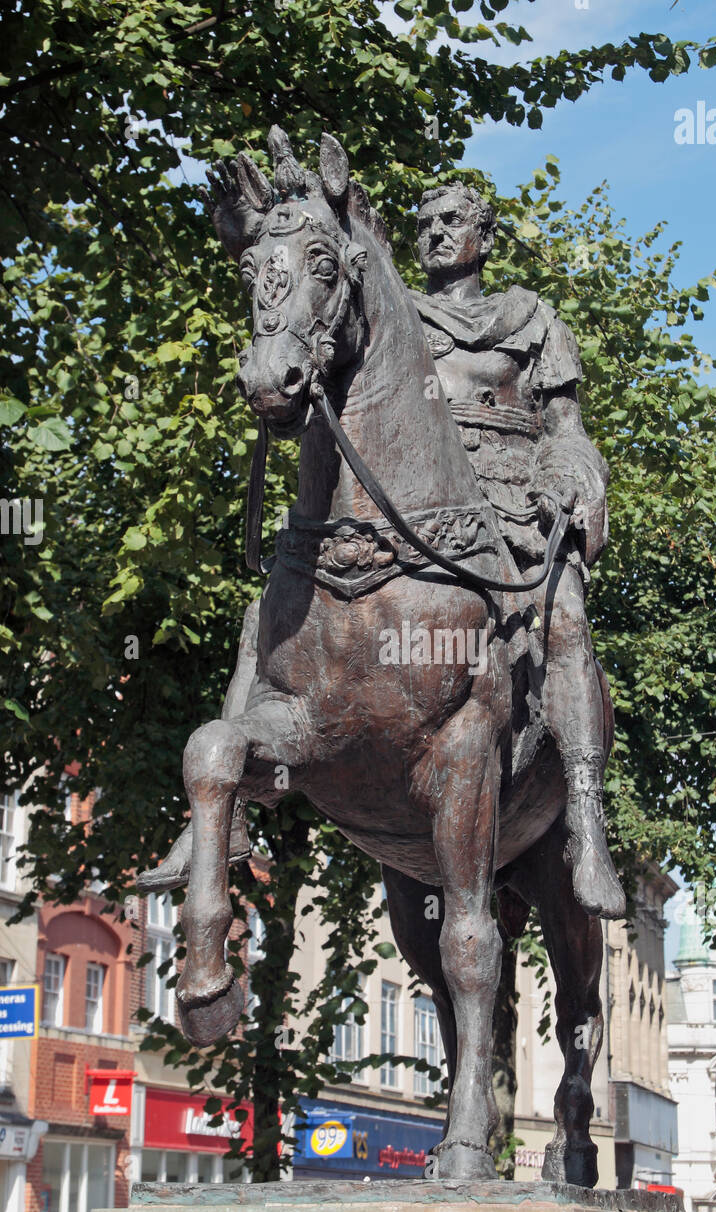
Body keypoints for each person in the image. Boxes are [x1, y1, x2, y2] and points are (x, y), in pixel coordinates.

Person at [139, 185, 626, 920]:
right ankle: (222, 818)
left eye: (453, 222)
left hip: (508, 494)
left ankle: (585, 816)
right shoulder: (392, 309)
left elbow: (565, 424)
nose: (435, 234)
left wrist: (569, 476)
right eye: (424, 223)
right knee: (263, 616)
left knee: (563, 610)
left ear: (486, 238)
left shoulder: (530, 319)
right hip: (403, 488)